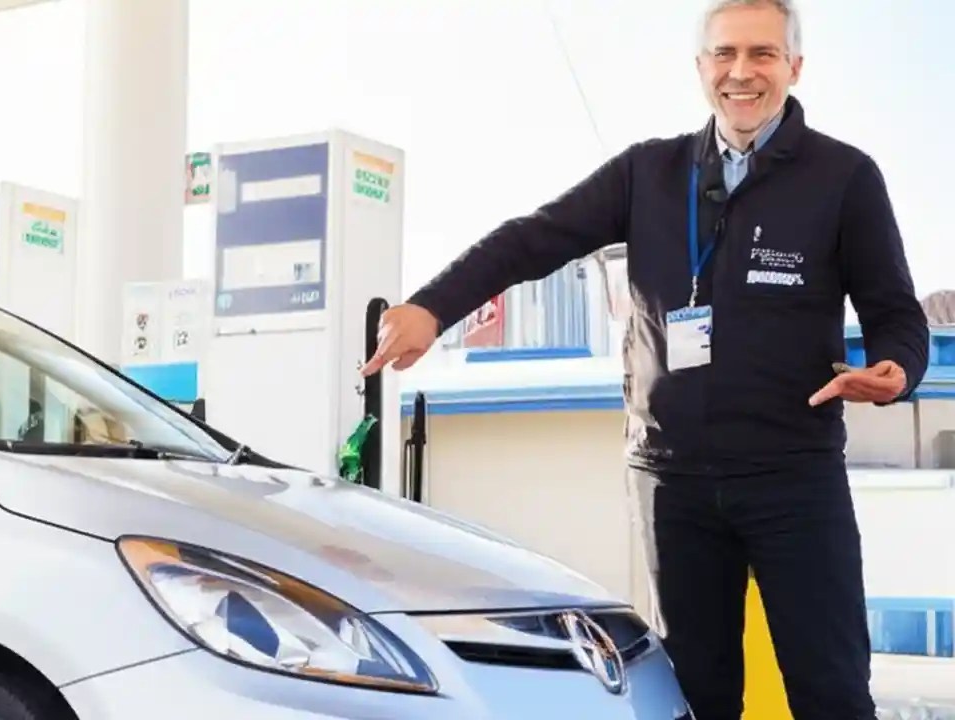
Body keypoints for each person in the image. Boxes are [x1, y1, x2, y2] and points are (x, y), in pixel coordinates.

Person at [360, 1, 930, 718]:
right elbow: (532, 239)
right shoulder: (647, 173)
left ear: (794, 66)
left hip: (793, 477)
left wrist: (896, 370)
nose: (741, 73)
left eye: (762, 54)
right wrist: (434, 306)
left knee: (831, 689)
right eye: (724, 55)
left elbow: (896, 316)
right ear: (701, 68)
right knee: (694, 693)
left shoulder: (844, 177)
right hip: (672, 480)